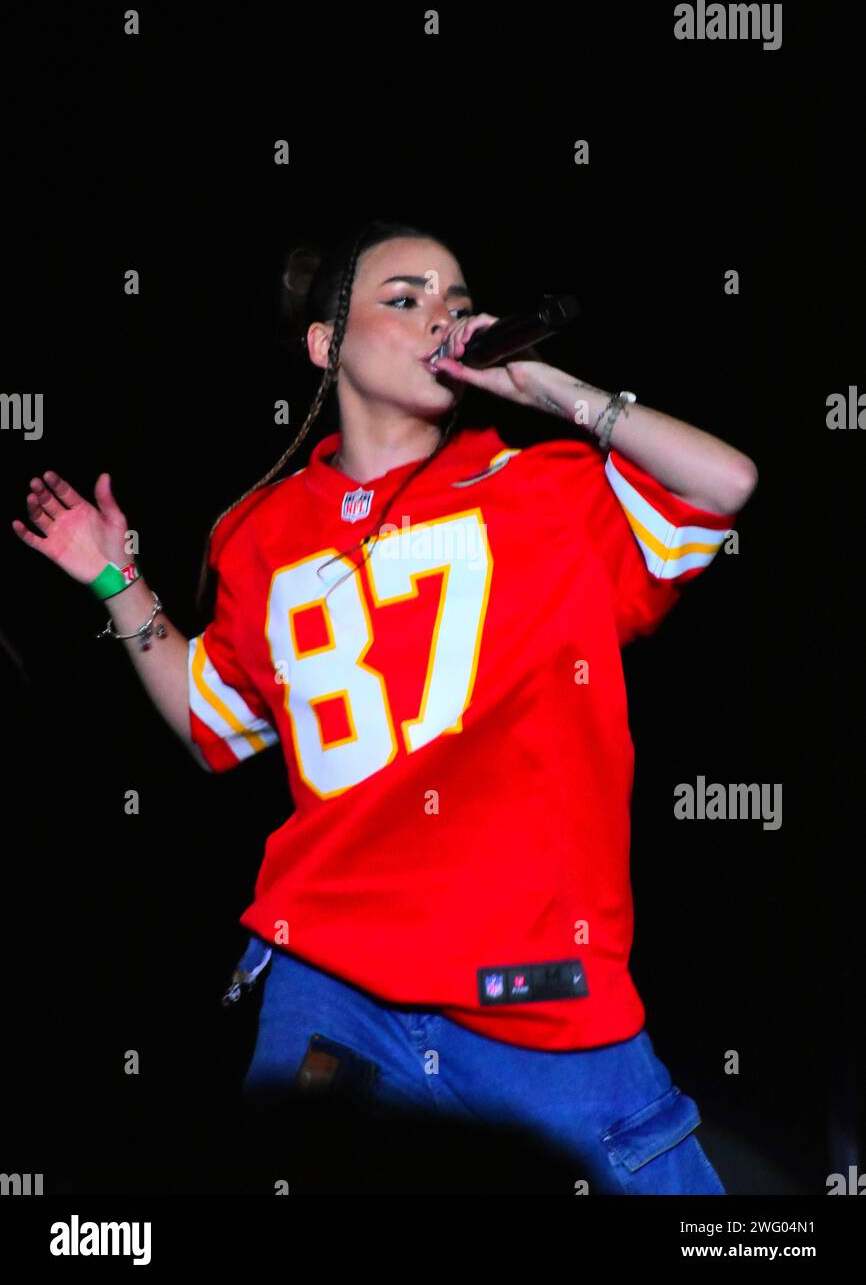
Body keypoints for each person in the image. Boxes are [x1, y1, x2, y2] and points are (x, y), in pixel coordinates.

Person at [12, 217, 757, 1194]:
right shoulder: (257, 533)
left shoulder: (542, 489)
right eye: (402, 300)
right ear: (327, 346)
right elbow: (212, 725)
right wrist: (118, 584)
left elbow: (725, 481)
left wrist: (546, 388)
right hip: (332, 982)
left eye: (453, 301)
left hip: (533, 993)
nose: (438, 319)